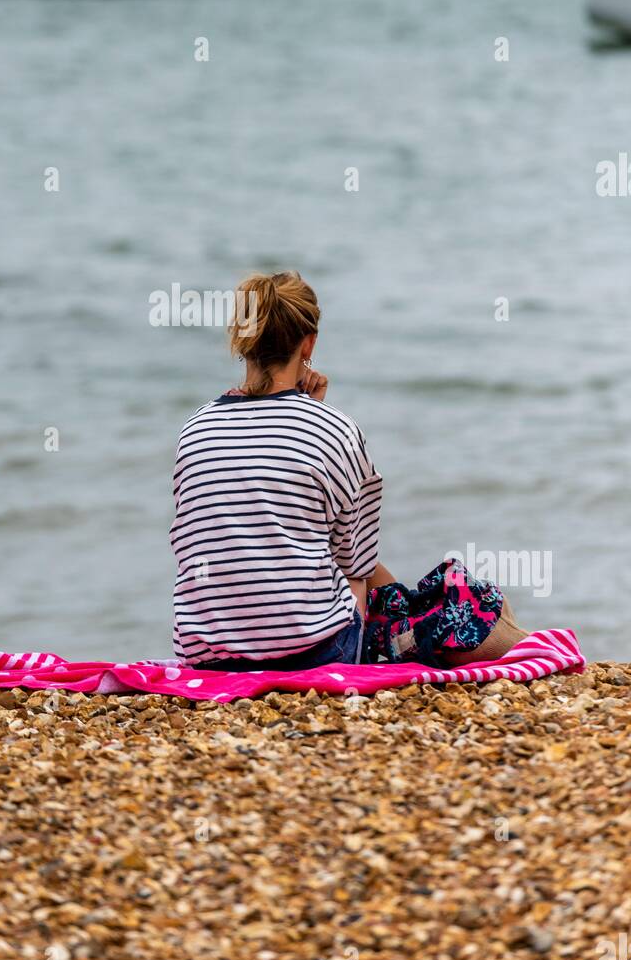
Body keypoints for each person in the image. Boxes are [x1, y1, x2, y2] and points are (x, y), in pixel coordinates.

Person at [170, 270, 528, 671]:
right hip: (314, 655)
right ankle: (365, 655)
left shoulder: (195, 427)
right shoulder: (334, 429)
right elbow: (354, 561)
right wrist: (314, 413)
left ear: (242, 339)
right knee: (360, 569)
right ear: (309, 343)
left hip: (205, 657)